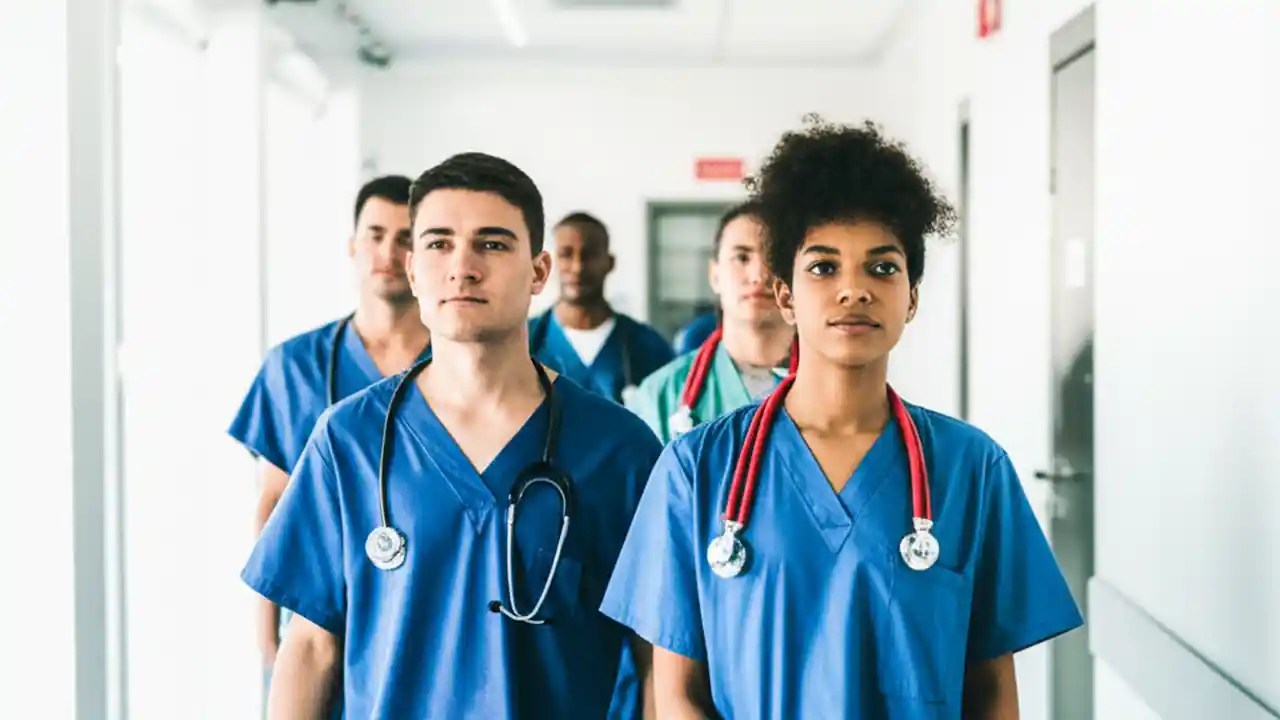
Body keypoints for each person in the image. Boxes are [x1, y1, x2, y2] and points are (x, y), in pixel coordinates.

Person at [600, 118, 1083, 719]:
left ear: (912, 297)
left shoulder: (971, 468)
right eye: (824, 268)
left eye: (882, 268)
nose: (854, 290)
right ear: (785, 295)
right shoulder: (697, 469)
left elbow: (991, 695)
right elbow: (676, 696)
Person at [243, 152, 661, 718]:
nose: (462, 267)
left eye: (492, 244)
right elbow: (313, 647)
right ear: (413, 269)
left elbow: (656, 657)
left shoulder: (618, 449)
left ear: (539, 272)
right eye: (439, 244)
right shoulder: (350, 440)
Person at [228, 175, 430, 674]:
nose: (389, 250)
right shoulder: (296, 366)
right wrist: (267, 640)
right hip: (325, 619)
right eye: (376, 234)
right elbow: (274, 504)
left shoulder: (460, 367)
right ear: (352, 246)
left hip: (429, 611)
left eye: (407, 237)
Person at [627, 201, 794, 443]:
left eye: (774, 257)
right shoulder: (661, 396)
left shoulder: (841, 384)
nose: (759, 275)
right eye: (741, 257)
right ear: (714, 275)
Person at [530, 212, 674, 404]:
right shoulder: (520, 342)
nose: (577, 267)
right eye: (566, 254)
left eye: (589, 255)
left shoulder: (650, 347)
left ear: (610, 263)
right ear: (546, 264)